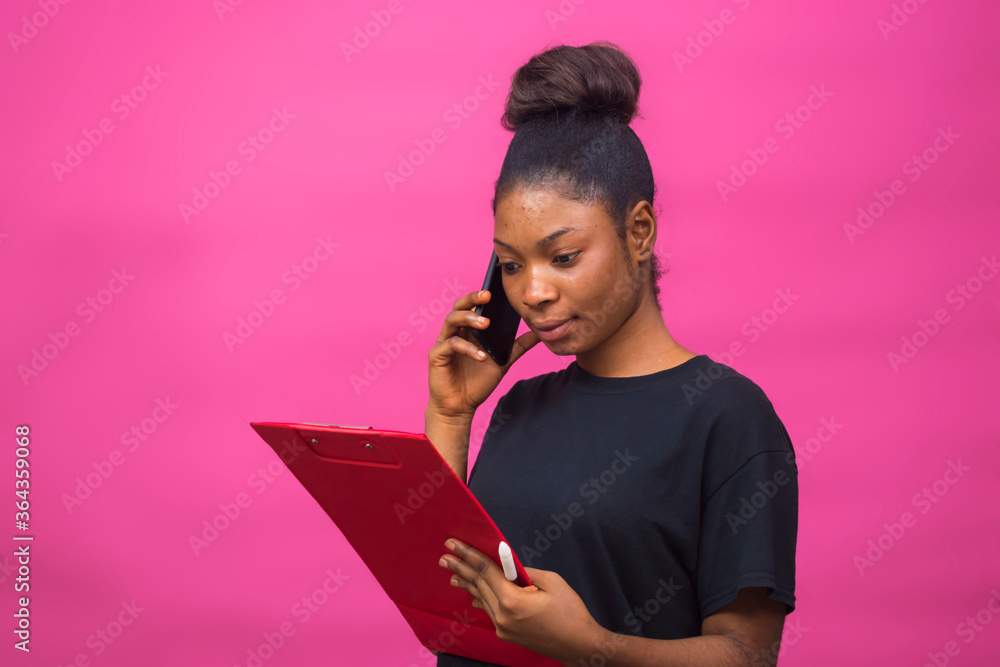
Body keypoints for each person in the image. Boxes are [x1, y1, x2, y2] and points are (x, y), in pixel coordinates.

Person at [424, 41, 798, 667]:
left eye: (563, 257)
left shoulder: (727, 417)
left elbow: (748, 656)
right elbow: (442, 590)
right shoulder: (521, 405)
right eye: (512, 265)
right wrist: (451, 415)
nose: (534, 292)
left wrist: (593, 647)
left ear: (640, 231)